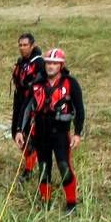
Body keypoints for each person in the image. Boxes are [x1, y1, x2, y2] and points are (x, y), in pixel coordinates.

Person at [14, 48, 84, 213]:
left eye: (54, 63)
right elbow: (25, 108)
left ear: (61, 65)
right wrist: (19, 130)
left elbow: (80, 110)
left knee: (64, 166)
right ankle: (45, 203)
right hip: (40, 132)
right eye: (48, 63)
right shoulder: (36, 83)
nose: (51, 66)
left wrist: (78, 133)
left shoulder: (70, 83)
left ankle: (72, 204)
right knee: (44, 168)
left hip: (60, 132)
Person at [10, 33, 45, 184]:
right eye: (20, 45)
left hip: (31, 102)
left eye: (25, 45)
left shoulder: (39, 63)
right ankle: (31, 160)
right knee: (15, 132)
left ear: (32, 45)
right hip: (19, 101)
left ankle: (29, 169)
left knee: (27, 135)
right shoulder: (21, 62)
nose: (22, 48)